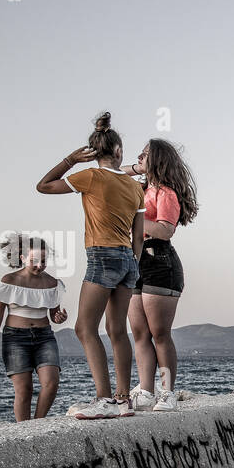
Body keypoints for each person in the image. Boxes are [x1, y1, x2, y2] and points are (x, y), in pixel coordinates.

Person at [36, 111, 146, 419]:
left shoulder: (91, 176)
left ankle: (104, 399)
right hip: (128, 259)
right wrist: (132, 263)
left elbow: (43, 186)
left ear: (92, 153)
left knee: (85, 328)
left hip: (102, 254)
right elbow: (139, 236)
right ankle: (123, 400)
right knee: (117, 330)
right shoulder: (135, 186)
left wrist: (71, 160)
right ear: (119, 151)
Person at [124, 138, 198, 412]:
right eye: (139, 154)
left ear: (157, 160)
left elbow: (166, 230)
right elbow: (113, 172)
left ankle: (167, 392)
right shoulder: (139, 188)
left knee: (160, 333)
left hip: (160, 260)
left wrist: (134, 219)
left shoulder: (166, 193)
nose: (139, 157)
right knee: (139, 332)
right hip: (136, 261)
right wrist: (137, 166)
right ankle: (145, 390)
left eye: (145, 154)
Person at [0, 235, 68, 421]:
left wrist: (59, 317)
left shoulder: (52, 283)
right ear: (22, 258)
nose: (39, 265)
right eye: (34, 261)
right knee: (24, 389)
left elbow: (54, 315)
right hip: (15, 339)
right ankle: (23, 431)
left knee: (51, 383)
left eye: (44, 261)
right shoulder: (9, 280)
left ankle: (37, 425)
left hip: (44, 337)